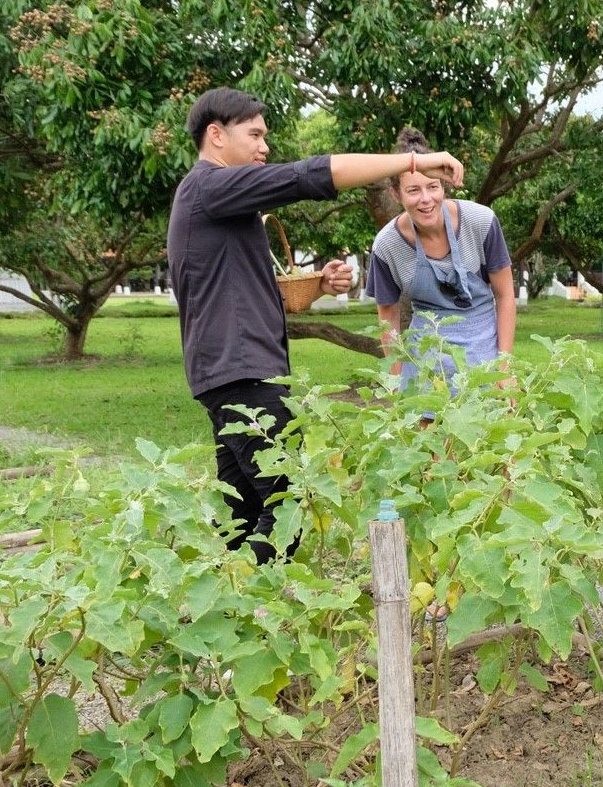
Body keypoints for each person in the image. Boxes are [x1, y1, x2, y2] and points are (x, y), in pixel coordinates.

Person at [167, 87, 464, 563]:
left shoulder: (218, 201)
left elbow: (234, 292)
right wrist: (410, 163)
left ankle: (232, 608)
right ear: (216, 135)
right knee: (289, 504)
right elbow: (313, 174)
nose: (265, 147)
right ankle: (263, 606)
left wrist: (319, 287)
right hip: (242, 373)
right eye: (256, 135)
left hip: (227, 370)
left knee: (243, 510)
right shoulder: (210, 186)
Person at [367, 128, 516, 388]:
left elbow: (504, 295)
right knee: (428, 426)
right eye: (413, 190)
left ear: (444, 186)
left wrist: (504, 368)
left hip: (484, 351)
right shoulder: (386, 245)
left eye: (433, 187)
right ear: (395, 194)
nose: (426, 199)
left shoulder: (481, 222)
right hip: (424, 359)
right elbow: (388, 316)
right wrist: (396, 379)